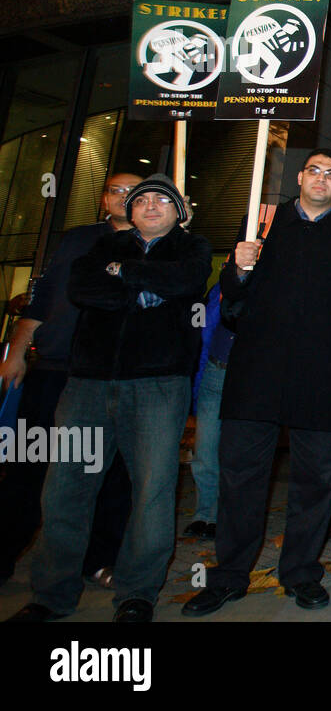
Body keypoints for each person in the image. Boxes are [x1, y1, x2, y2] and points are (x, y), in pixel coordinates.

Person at [184, 149, 331, 616]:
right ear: (300, 177)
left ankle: (301, 573)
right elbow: (231, 301)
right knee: (242, 479)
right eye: (315, 170)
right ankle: (229, 576)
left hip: (322, 376)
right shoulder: (261, 223)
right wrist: (239, 268)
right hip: (256, 373)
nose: (322, 179)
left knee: (315, 481)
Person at [8, 174, 211, 622]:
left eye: (163, 200)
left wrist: (124, 275)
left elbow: (185, 283)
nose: (151, 206)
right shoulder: (100, 248)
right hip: (87, 385)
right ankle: (51, 594)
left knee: (152, 492)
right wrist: (139, 285)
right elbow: (83, 290)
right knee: (65, 489)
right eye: (142, 201)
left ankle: (137, 592)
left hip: (159, 386)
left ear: (179, 213)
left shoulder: (192, 249)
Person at [0, 172, 142, 589]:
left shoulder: (152, 247)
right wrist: (18, 350)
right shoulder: (76, 240)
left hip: (108, 375)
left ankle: (99, 559)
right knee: (28, 465)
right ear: (104, 199)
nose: (124, 197)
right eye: (116, 190)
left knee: (109, 470)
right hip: (54, 368)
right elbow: (42, 298)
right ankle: (5, 550)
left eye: (134, 192)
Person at [186, 279, 235, 541]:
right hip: (215, 372)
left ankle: (221, 516)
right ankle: (203, 514)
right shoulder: (218, 290)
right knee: (205, 450)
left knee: (232, 452)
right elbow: (205, 335)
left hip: (245, 377)